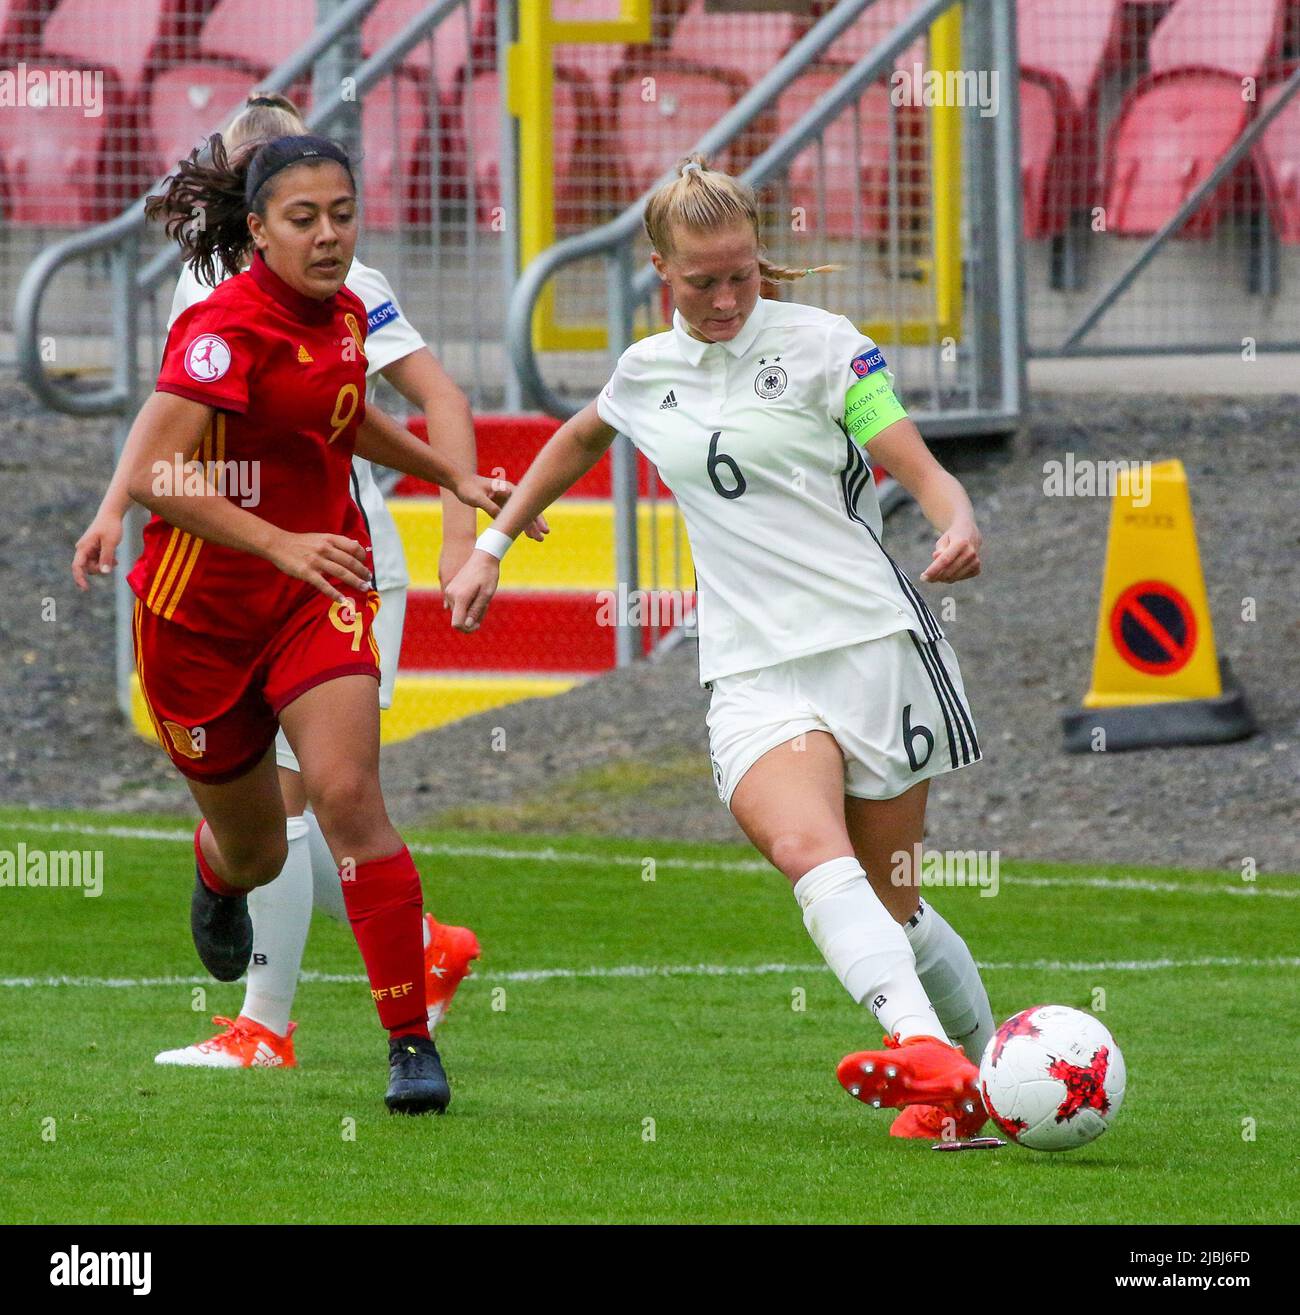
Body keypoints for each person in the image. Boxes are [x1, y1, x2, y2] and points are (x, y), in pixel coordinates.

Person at [445, 156, 996, 1141]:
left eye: (742, 274)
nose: (727, 296)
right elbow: (579, 436)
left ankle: (978, 1098)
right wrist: (493, 542)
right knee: (800, 846)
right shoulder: (647, 371)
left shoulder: (832, 351)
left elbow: (913, 458)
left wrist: (955, 520)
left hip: (873, 648)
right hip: (751, 668)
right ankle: (924, 1048)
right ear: (661, 269)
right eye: (702, 281)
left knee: (893, 907)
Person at [74, 129, 537, 1113]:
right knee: (259, 853)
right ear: (257, 231)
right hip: (197, 622)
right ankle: (214, 867)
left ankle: (409, 1043)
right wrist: (269, 539)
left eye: (341, 214)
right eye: (303, 219)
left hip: (319, 597)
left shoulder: (349, 312)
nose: (329, 236)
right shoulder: (219, 325)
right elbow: (157, 471)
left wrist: (446, 471)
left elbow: (338, 414)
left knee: (345, 795)